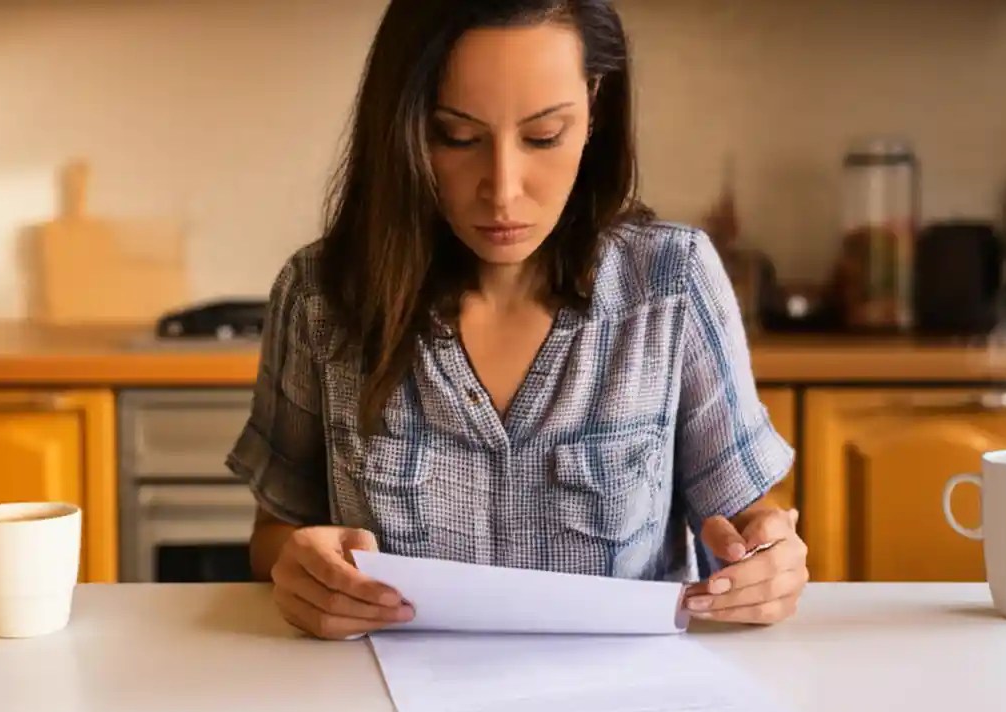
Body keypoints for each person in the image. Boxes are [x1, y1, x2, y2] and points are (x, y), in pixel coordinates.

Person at [226, 0, 805, 641]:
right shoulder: (319, 297)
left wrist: (769, 560)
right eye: (458, 137)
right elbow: (276, 532)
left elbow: (747, 522)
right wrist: (297, 567)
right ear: (406, 127)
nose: (502, 191)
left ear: (594, 109)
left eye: (542, 136)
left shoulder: (673, 283)